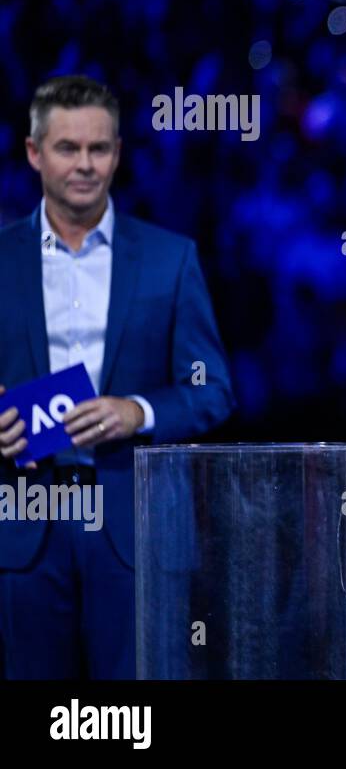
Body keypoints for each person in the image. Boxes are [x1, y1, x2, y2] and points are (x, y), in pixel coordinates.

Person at [0, 75, 235, 679]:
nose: (84, 164)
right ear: (34, 152)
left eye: (98, 149)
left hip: (132, 526)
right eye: (67, 148)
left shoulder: (170, 257)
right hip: (20, 522)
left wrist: (140, 411)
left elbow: (212, 390)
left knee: (131, 719)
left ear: (119, 152)